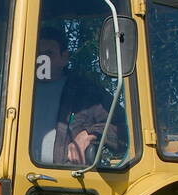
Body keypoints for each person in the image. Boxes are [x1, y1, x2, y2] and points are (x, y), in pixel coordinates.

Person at [31, 25, 121, 167]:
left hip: (67, 179)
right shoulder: (15, 90)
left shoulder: (85, 92)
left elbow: (121, 125)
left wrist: (88, 134)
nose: (41, 59)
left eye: (49, 53)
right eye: (37, 53)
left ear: (64, 57)